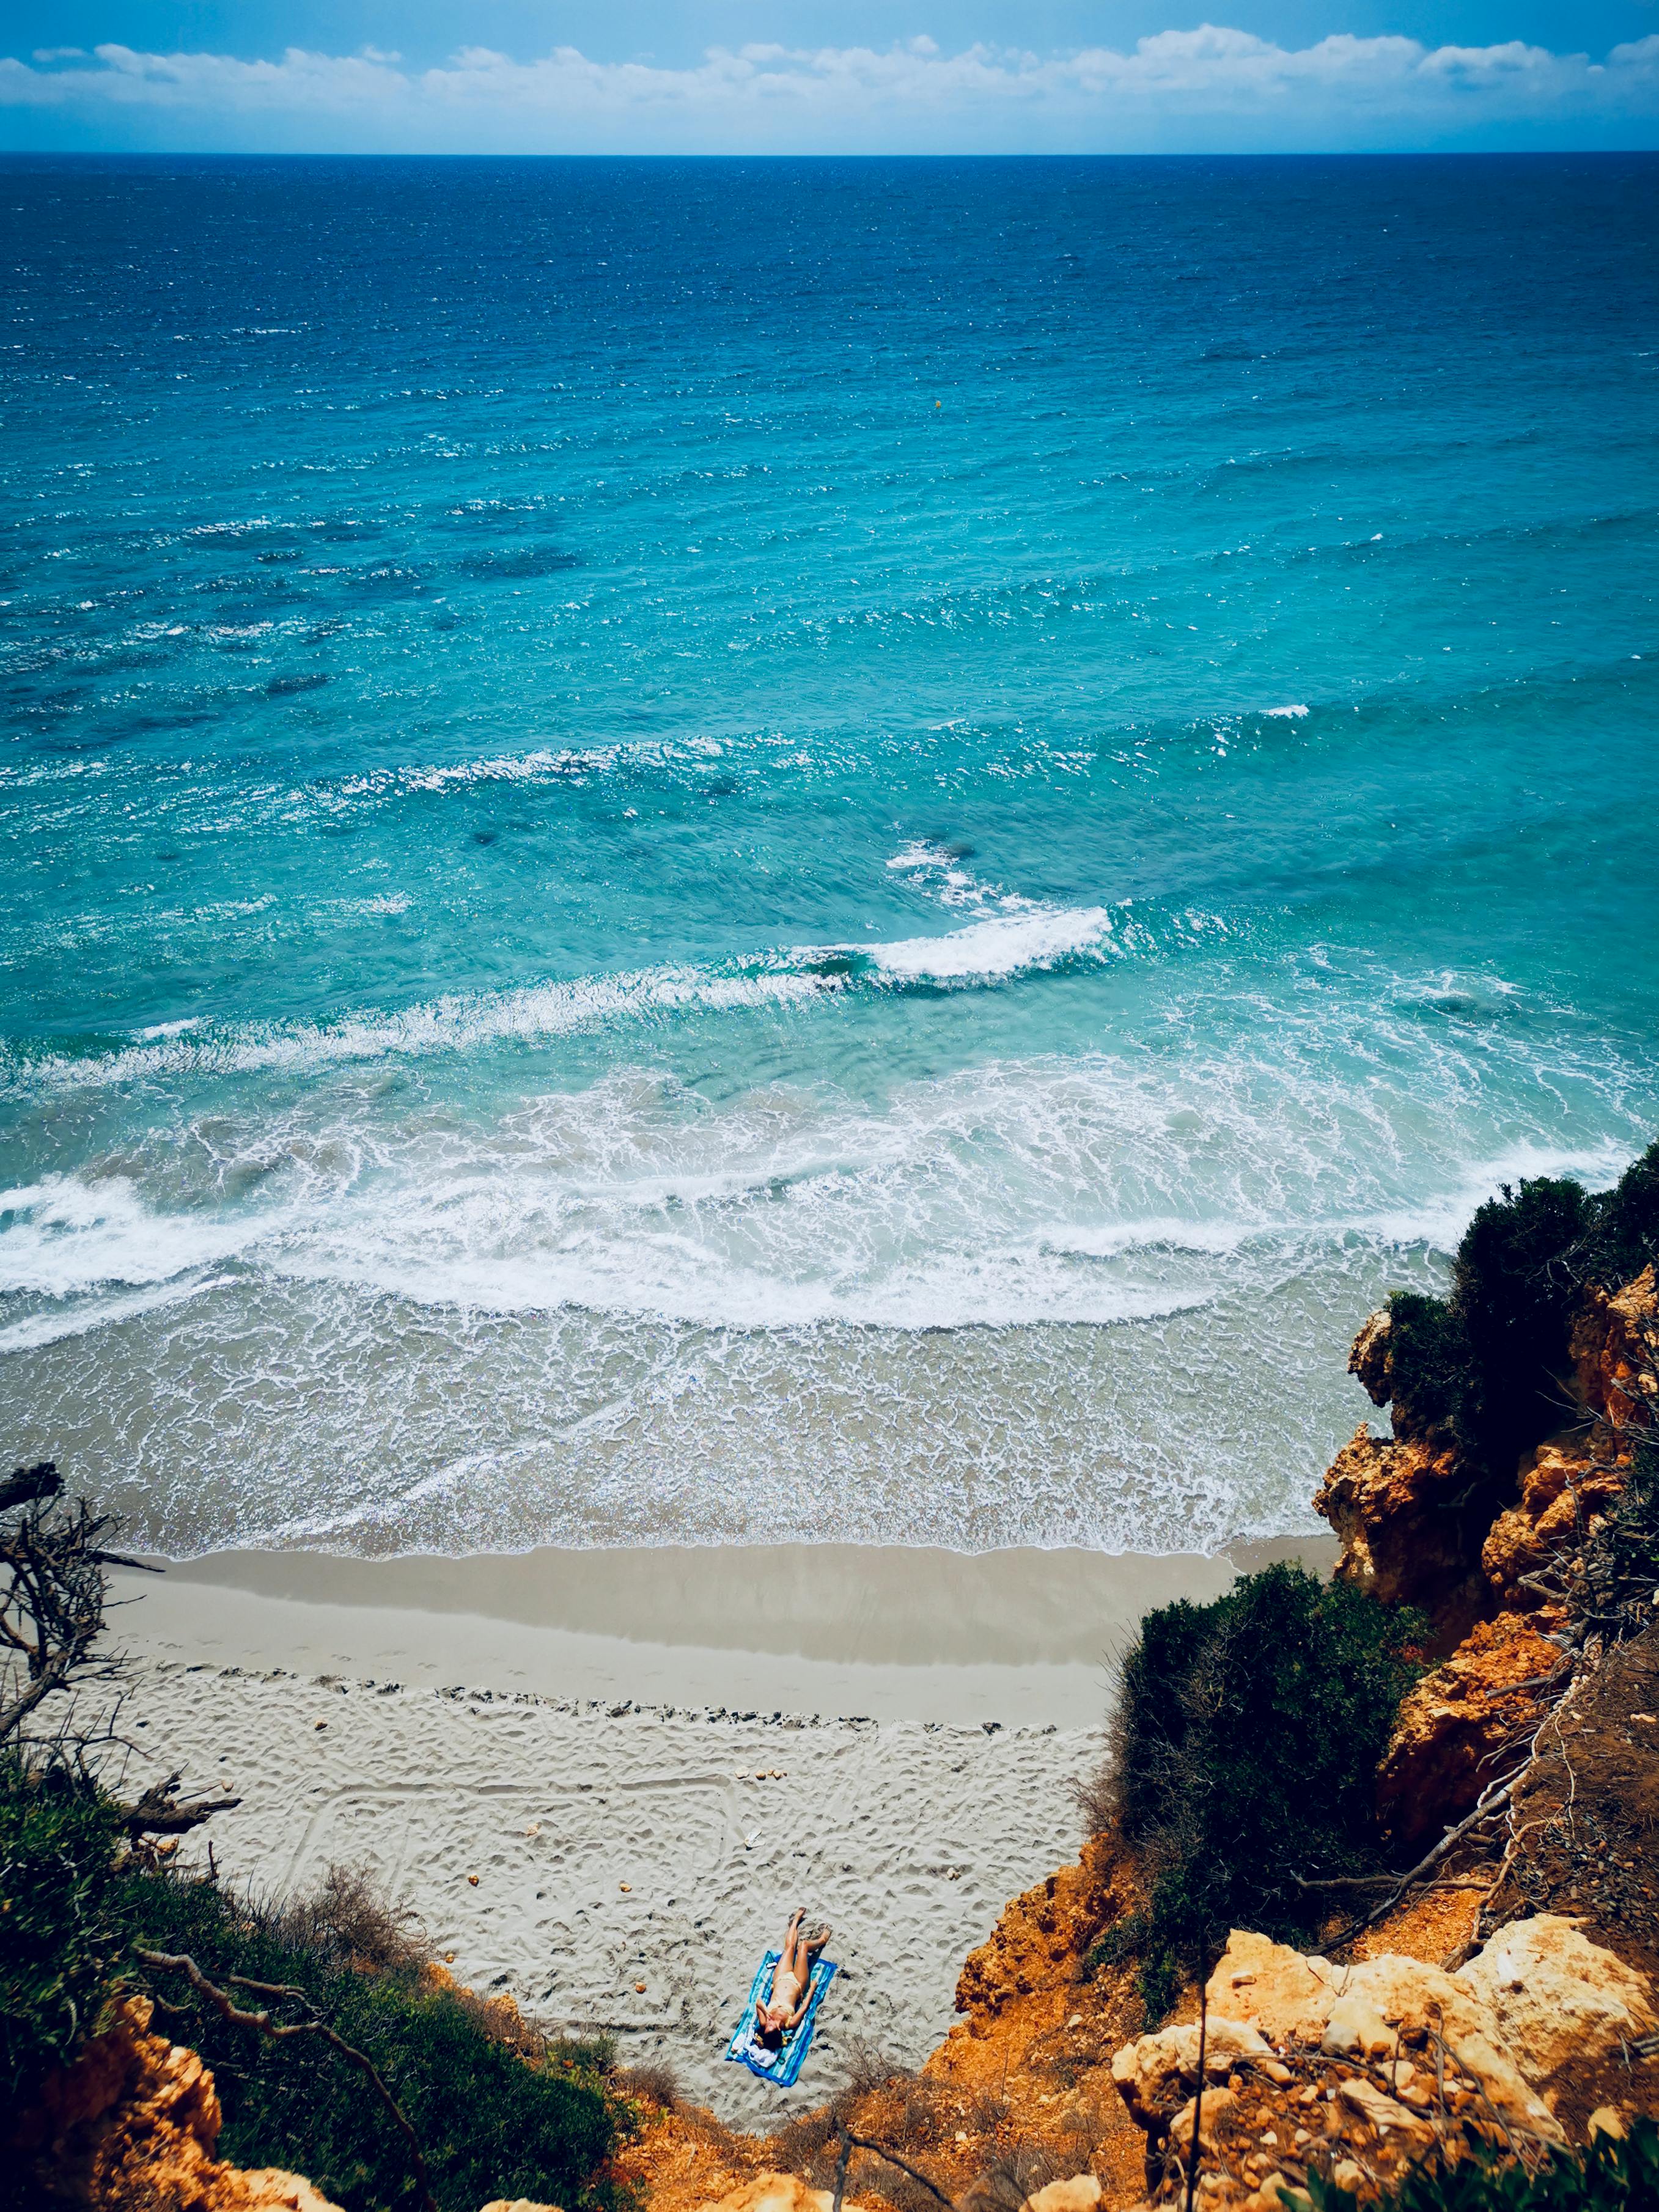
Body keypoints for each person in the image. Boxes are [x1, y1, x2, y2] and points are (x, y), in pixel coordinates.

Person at [753, 1907, 831, 2050]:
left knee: (789, 1948)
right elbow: (804, 2007)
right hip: (798, 1983)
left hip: (780, 1978)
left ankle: (795, 1922)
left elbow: (758, 2002)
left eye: (767, 2029)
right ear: (777, 2031)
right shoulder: (790, 2023)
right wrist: (812, 1988)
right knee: (804, 1946)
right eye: (771, 2028)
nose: (768, 2026)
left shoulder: (764, 2022)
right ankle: (822, 1940)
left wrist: (766, 2012)